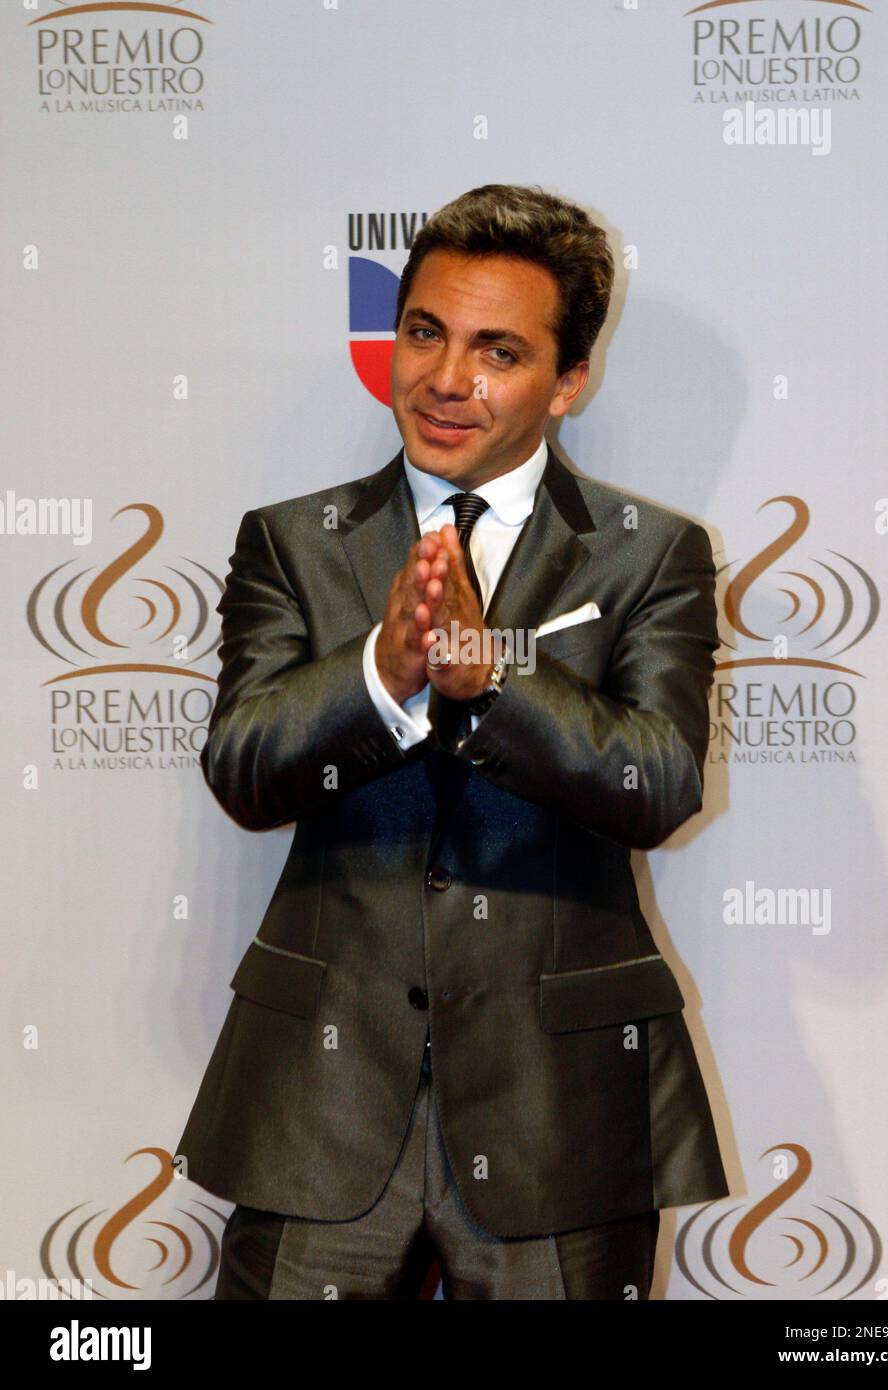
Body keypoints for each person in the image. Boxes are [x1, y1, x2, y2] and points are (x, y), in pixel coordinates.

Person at [173, 183, 729, 1300]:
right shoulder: (292, 541)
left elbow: (660, 782)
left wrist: (492, 684)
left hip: (558, 1111)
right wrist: (384, 676)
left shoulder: (649, 554)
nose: (444, 377)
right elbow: (244, 768)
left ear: (569, 380)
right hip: (317, 1105)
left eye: (497, 350)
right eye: (424, 332)